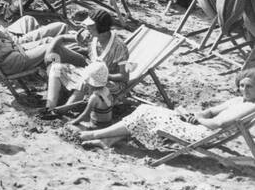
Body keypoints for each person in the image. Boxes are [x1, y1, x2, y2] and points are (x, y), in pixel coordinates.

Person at [81, 72, 255, 150]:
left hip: (205, 134)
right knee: (146, 109)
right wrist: (195, 115)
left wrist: (198, 120)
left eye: (249, 86)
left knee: (148, 115)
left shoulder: (251, 106)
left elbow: (221, 123)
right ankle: (107, 141)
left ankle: (96, 135)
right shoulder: (237, 100)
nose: (244, 89)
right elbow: (210, 111)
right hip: (201, 125)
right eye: (242, 85)